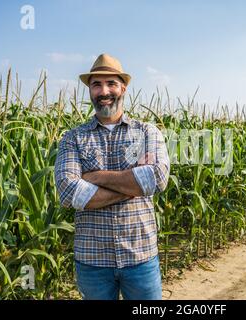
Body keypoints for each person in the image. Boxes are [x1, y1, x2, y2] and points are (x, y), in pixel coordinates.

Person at [54, 53, 170, 300]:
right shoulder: (72, 138)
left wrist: (94, 177)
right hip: (93, 261)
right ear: (89, 91)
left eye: (111, 84)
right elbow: (67, 191)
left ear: (123, 87)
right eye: (97, 84)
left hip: (140, 256)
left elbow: (157, 178)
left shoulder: (147, 132)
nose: (104, 91)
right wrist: (134, 185)